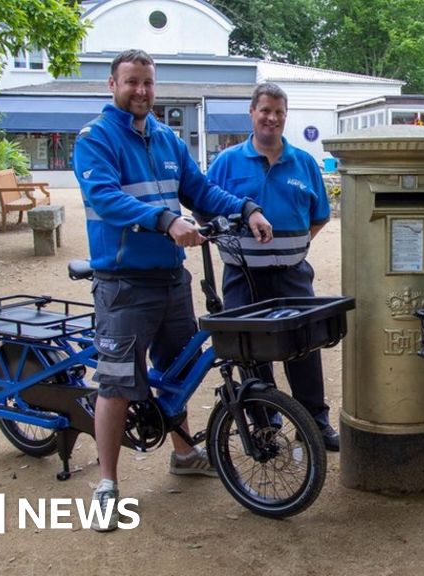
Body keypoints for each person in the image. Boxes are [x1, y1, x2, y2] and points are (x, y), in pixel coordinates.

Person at [73, 49, 273, 532]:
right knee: (119, 380)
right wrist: (165, 220)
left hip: (169, 278)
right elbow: (106, 198)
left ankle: (184, 454)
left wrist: (247, 209)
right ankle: (106, 484)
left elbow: (200, 190)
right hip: (123, 282)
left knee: (175, 370)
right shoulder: (95, 139)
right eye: (132, 82)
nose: (141, 91)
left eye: (147, 83)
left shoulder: (165, 138)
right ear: (112, 85)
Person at [206, 82, 339, 452]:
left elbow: (319, 216)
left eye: (279, 112)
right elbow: (205, 208)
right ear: (252, 112)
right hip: (242, 277)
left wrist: (291, 249)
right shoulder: (226, 162)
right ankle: (264, 425)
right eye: (265, 110)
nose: (272, 118)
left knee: (304, 347)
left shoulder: (304, 163)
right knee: (250, 351)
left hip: (292, 275)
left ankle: (315, 422)